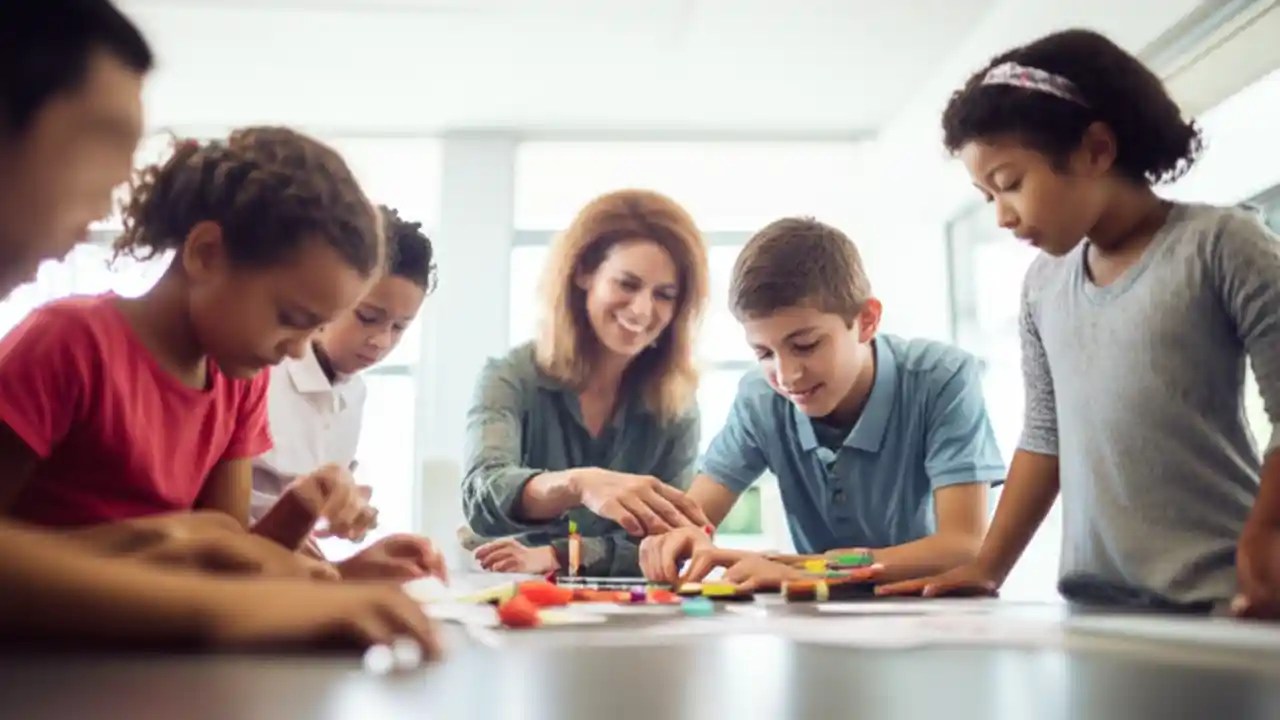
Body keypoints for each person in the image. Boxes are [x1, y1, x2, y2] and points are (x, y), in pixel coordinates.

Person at [0, 0, 438, 651]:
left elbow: (229, 555)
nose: (296, 348)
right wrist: (171, 548)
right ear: (207, 254)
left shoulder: (238, 380)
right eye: (291, 319)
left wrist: (319, 547)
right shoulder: (68, 342)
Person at [877, 29, 1280, 618]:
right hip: (1094, 607)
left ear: (1096, 149)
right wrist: (987, 567)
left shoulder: (1222, 244)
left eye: (1011, 183)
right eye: (987, 194)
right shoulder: (1043, 285)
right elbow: (1045, 437)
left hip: (1220, 600)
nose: (1003, 215)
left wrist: (1265, 537)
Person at [639, 218, 1005, 588]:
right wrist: (680, 537)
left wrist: (804, 568)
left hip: (934, 623)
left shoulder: (941, 377)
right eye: (764, 352)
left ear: (866, 320)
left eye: (806, 345)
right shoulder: (760, 398)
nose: (786, 376)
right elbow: (693, 519)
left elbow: (965, 545)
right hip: (817, 623)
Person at [462, 189, 712, 576]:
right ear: (583, 273)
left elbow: (668, 541)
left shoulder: (676, 405)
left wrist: (558, 555)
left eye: (664, 295)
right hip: (512, 596)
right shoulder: (510, 377)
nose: (643, 310)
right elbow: (483, 494)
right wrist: (578, 485)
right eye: (627, 284)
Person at [252, 204, 447, 580]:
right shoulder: (259, 369)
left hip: (286, 574)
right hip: (237, 572)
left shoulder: (353, 392)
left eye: (400, 327)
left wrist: (348, 511)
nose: (380, 341)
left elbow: (309, 519)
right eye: (368, 317)